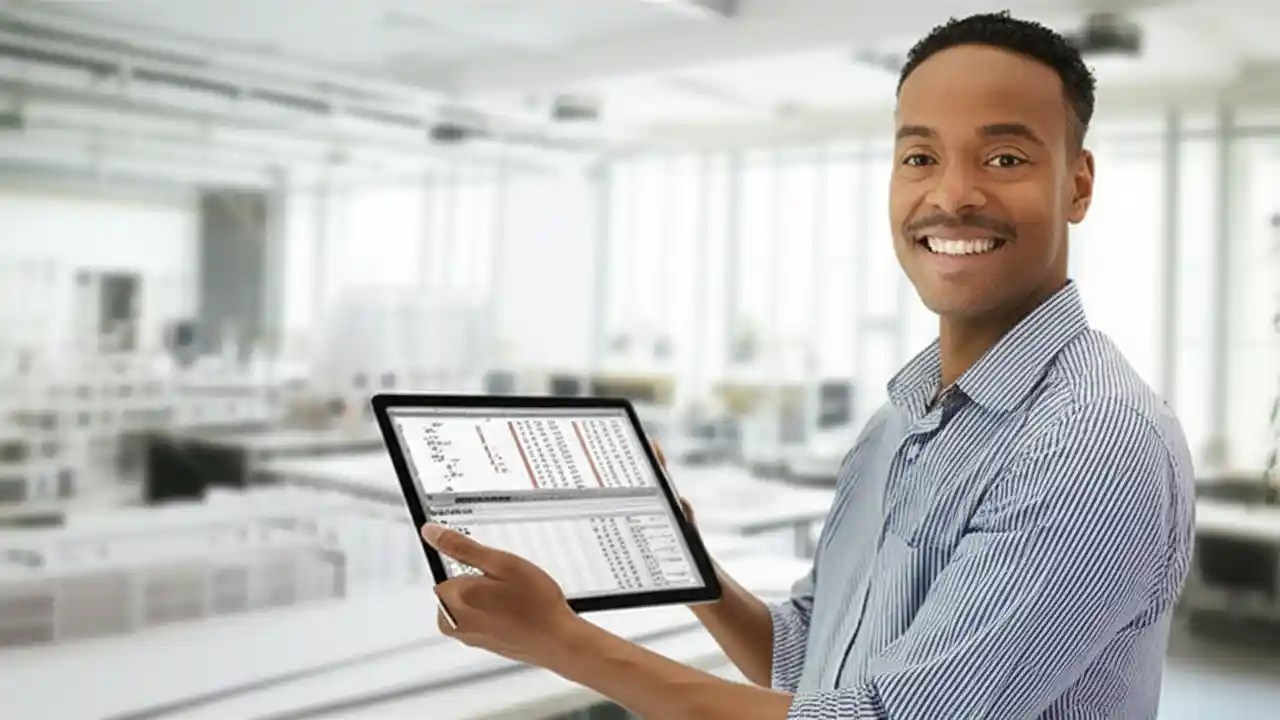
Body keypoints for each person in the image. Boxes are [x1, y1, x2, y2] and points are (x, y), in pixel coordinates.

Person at [418, 12, 1195, 719]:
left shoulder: (1095, 442)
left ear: (1078, 185)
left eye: (1003, 156)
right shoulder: (898, 423)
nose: (952, 195)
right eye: (920, 156)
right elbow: (806, 659)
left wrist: (561, 643)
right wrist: (688, 564)